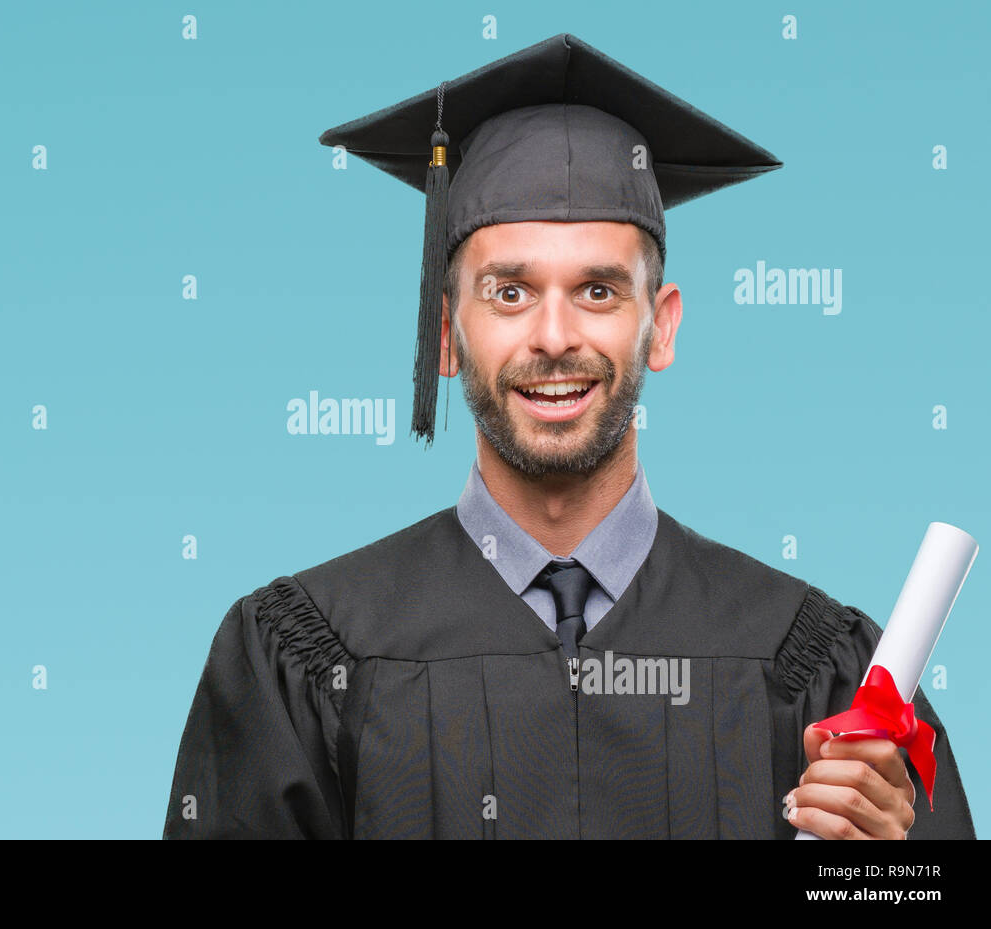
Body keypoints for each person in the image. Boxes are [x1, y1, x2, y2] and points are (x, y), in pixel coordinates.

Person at [162, 33, 976, 839]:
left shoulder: (815, 673)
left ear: (660, 328)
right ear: (445, 335)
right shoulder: (305, 663)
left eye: (596, 289)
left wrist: (878, 881)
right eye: (510, 292)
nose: (554, 336)